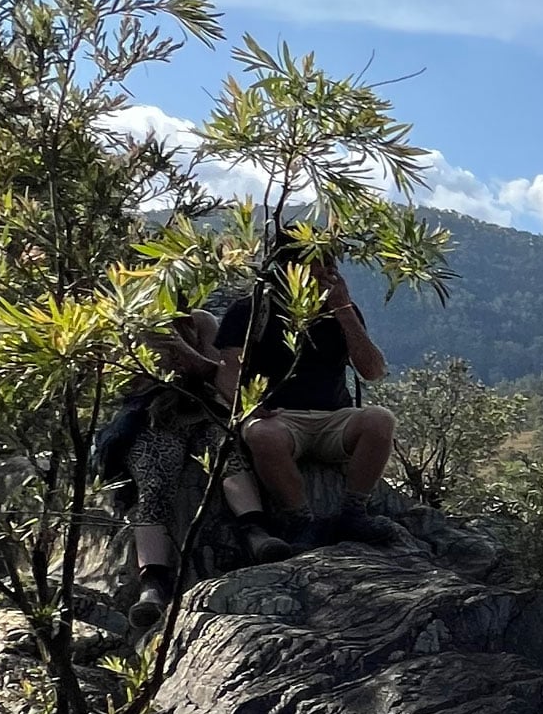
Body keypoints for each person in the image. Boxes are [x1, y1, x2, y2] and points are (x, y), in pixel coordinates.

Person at [116, 309, 288, 630]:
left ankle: (255, 531)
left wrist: (179, 348)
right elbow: (130, 383)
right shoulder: (130, 324)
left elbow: (212, 370)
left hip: (201, 412)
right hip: (153, 420)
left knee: (226, 454)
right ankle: (152, 582)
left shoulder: (201, 322)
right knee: (154, 483)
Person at [214, 245, 397, 544]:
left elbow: (373, 371)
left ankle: (353, 513)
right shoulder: (250, 309)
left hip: (335, 417)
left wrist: (344, 311)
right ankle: (299, 520)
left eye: (330, 262)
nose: (326, 270)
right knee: (263, 435)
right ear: (289, 267)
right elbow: (227, 368)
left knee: (380, 421)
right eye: (316, 262)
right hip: (279, 418)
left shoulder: (343, 312)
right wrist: (246, 404)